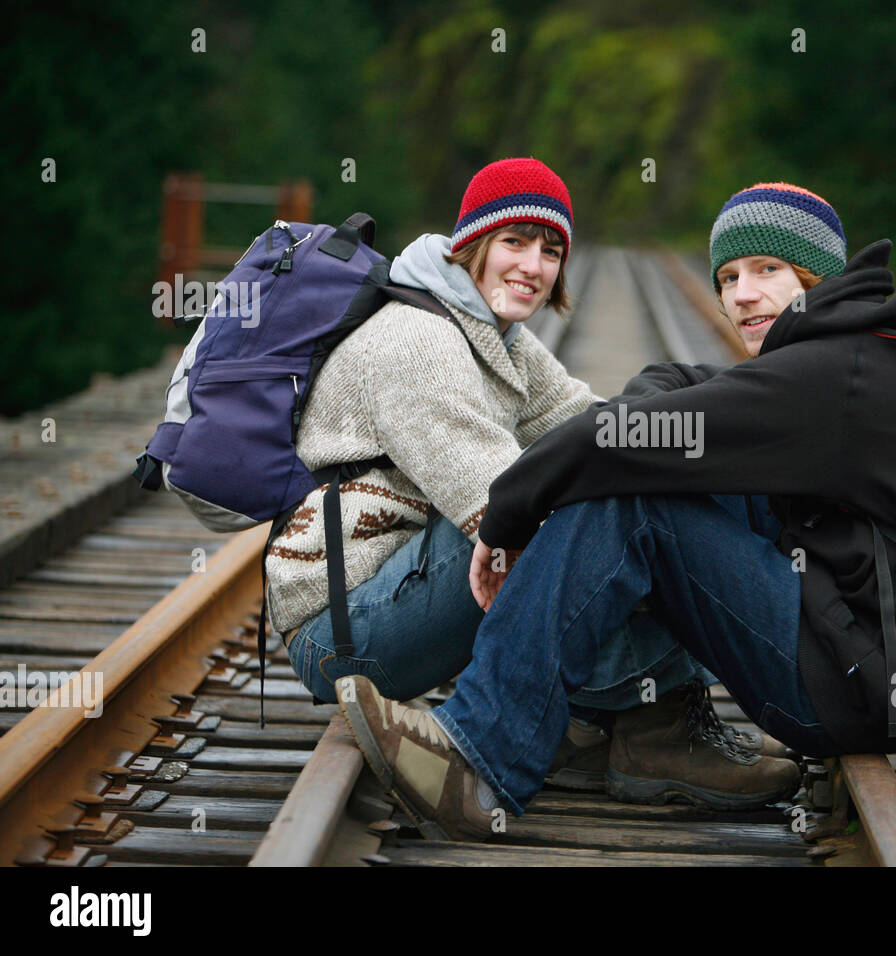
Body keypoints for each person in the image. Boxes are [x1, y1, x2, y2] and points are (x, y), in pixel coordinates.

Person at [335, 181, 896, 841]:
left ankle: (480, 757)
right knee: (665, 468)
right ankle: (652, 727)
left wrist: (507, 517)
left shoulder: (828, 378)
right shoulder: (847, 357)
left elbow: (616, 438)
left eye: (767, 270)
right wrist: (648, 407)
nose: (742, 293)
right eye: (728, 276)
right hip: (857, 661)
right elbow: (678, 390)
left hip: (843, 687)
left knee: (636, 502)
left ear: (818, 276)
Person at [267, 160, 797, 810]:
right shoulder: (417, 342)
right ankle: (648, 721)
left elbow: (597, 428)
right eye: (514, 242)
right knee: (569, 520)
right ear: (472, 247)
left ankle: (636, 722)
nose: (534, 265)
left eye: (551, 250)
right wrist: (664, 547)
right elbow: (500, 511)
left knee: (631, 492)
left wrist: (710, 465)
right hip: (347, 631)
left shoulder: (500, 339)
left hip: (402, 585)